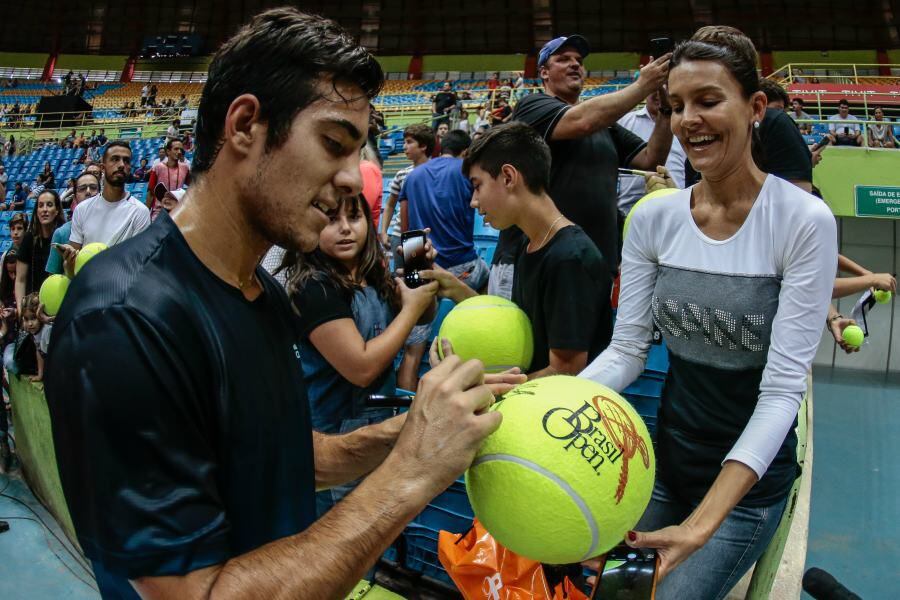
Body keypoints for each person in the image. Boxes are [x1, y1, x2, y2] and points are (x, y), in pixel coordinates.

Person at [45, 9, 514, 599]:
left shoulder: (260, 291)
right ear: (245, 126)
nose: (354, 179)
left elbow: (292, 457)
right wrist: (408, 475)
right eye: (333, 144)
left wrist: (424, 427)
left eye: (359, 152)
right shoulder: (124, 318)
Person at [580, 27, 838, 599]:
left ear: (756, 108)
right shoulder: (652, 219)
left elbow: (779, 393)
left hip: (745, 494)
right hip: (668, 469)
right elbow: (625, 353)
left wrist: (701, 526)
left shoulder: (802, 221)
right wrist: (547, 403)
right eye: (675, 106)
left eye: (708, 100)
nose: (688, 119)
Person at [287, 194, 438, 514]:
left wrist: (422, 279)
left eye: (354, 218)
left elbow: (424, 315)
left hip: (375, 428)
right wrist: (412, 308)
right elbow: (362, 367)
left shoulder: (374, 276)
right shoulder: (313, 287)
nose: (345, 229)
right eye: (332, 219)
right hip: (333, 436)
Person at [490, 35, 671, 300]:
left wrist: (666, 110)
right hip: (534, 262)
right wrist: (643, 85)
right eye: (563, 59)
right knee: (527, 342)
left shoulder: (606, 125)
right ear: (544, 73)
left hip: (592, 264)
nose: (575, 64)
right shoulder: (532, 106)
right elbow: (581, 121)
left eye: (579, 60)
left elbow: (651, 159)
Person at [427, 123, 613, 377]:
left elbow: (564, 371)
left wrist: (480, 387)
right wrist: (457, 288)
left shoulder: (570, 258)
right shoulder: (530, 246)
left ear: (508, 177)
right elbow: (522, 327)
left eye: (477, 185)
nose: (473, 201)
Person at [62, 141, 150, 257]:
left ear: (129, 168)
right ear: (102, 168)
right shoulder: (82, 209)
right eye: (115, 159)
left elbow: (139, 263)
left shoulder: (140, 212)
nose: (121, 165)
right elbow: (73, 262)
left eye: (126, 161)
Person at [617, 91, 688, 215]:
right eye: (653, 89)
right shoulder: (623, 122)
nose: (659, 95)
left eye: (664, 89)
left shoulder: (685, 124)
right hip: (629, 212)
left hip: (675, 211)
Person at [378, 124, 434, 253]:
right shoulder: (401, 174)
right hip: (401, 234)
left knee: (425, 273)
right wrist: (384, 231)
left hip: (429, 234)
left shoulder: (437, 174)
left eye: (409, 142)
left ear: (423, 146)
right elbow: (390, 205)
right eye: (404, 142)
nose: (404, 147)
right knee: (404, 273)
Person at [15, 190, 64, 311]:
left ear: (57, 210)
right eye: (41, 205)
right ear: (36, 211)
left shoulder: (65, 237)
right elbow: (20, 280)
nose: (45, 209)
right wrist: (21, 310)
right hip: (32, 309)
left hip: (58, 305)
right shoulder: (28, 238)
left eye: (49, 205)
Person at [46, 172, 100, 275]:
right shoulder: (61, 233)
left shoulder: (111, 226)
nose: (88, 192)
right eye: (82, 189)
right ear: (74, 197)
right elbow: (53, 279)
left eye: (93, 188)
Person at [147, 138, 190, 217]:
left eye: (181, 149)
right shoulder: (158, 167)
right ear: (168, 151)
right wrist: (146, 213)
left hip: (177, 211)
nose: (179, 152)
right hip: (159, 212)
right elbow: (150, 192)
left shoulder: (185, 168)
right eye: (176, 149)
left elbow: (193, 185)